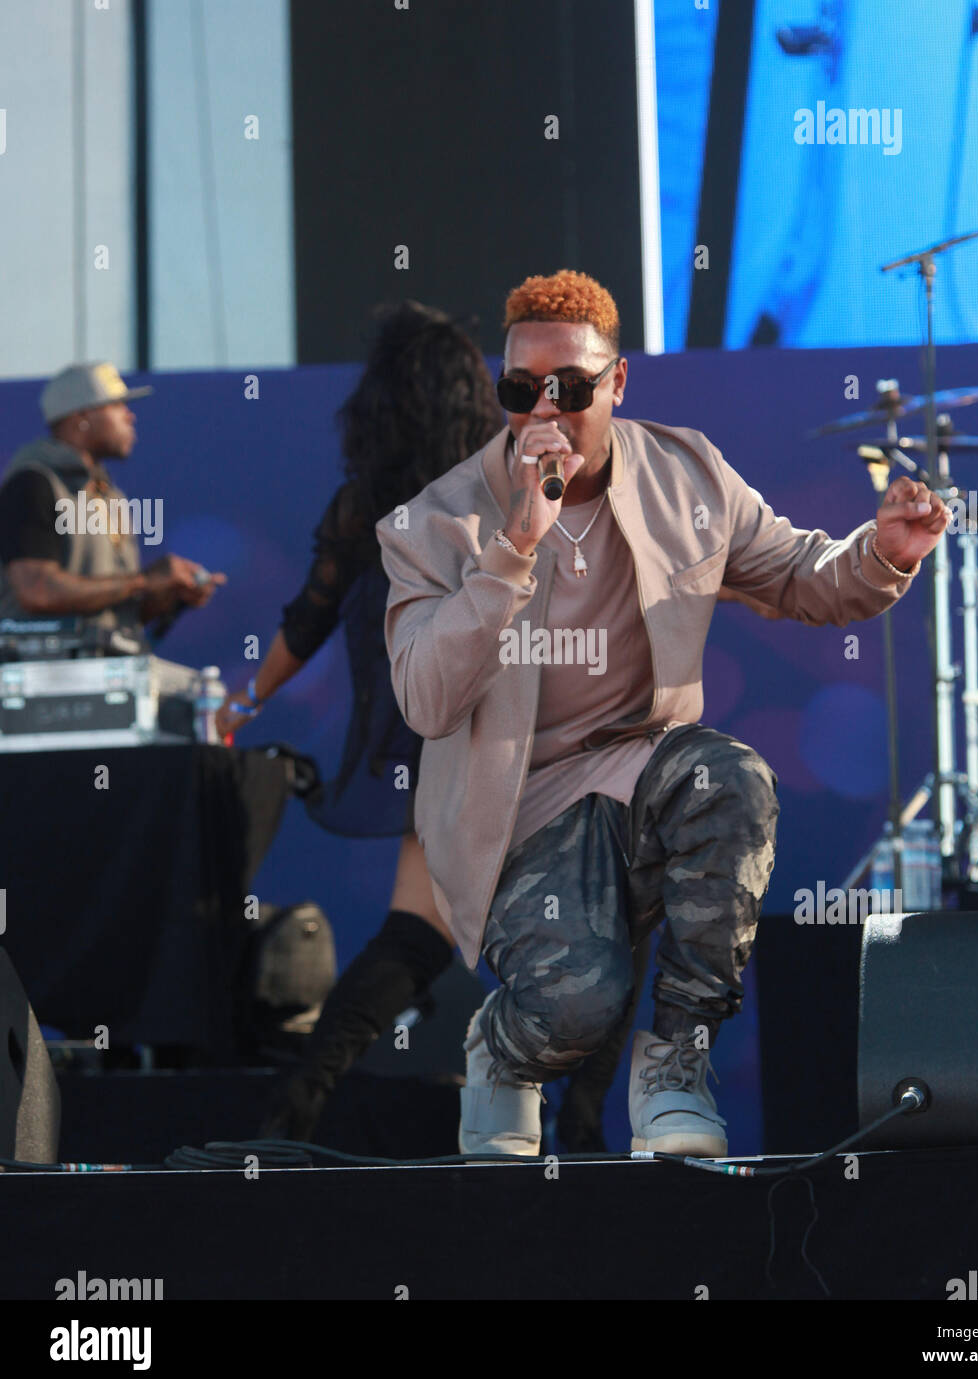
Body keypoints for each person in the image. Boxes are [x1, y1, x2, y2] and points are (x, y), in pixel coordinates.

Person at [376, 269, 952, 1157]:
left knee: (735, 779)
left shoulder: (686, 472)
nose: (545, 413)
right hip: (519, 805)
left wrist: (880, 553)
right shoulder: (435, 522)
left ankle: (678, 1063)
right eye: (521, 390)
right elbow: (424, 697)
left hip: (645, 768)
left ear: (617, 383)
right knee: (576, 1012)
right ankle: (501, 1044)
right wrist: (514, 547)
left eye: (570, 388)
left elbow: (803, 578)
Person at [216, 302, 644, 1148]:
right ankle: (585, 1132)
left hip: (422, 740)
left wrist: (240, 701)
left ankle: (294, 1106)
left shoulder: (369, 503)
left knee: (417, 931)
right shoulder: (512, 487)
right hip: (524, 734)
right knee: (607, 923)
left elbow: (308, 619)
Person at [0, 362, 223, 652]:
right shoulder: (32, 483)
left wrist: (168, 592)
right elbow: (37, 591)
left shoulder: (110, 496)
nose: (130, 416)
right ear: (81, 416)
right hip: (43, 678)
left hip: (105, 674)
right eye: (117, 405)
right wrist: (143, 581)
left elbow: (112, 618)